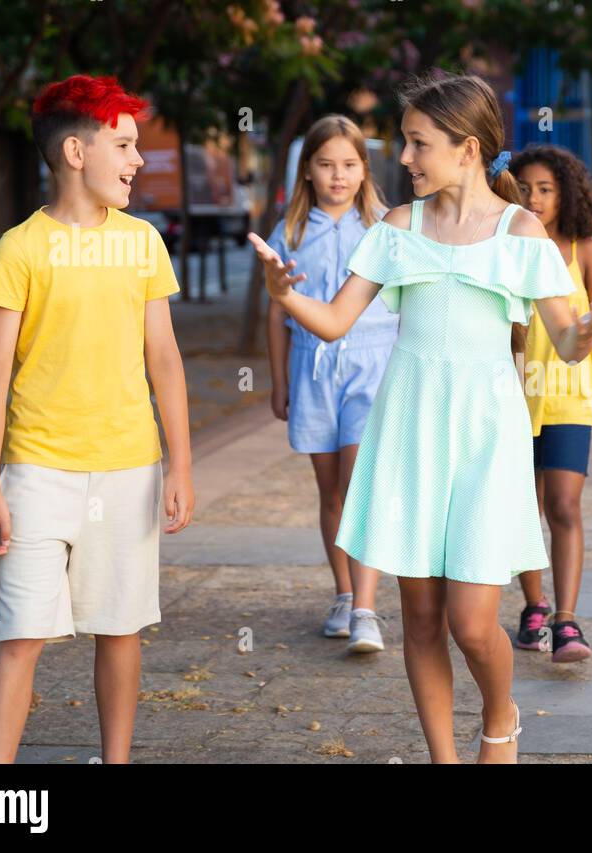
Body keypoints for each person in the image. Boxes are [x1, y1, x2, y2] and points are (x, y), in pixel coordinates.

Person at [249, 72, 592, 763]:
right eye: (404, 143)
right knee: (420, 617)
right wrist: (282, 294)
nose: (404, 158)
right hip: (408, 434)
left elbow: (568, 339)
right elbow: (335, 320)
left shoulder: (522, 231)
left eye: (418, 144)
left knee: (472, 622)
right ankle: (444, 758)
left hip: (488, 440)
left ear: (467, 147)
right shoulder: (399, 227)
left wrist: (588, 329)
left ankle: (499, 716)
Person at [0, 74, 193, 763]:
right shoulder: (21, 248)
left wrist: (180, 463)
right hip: (36, 473)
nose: (137, 160)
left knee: (120, 628)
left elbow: (165, 359)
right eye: (124, 145)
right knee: (19, 636)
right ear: (76, 151)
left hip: (130, 468)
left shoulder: (143, 243)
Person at [266, 115, 396, 652]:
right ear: (308, 172)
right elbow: (277, 313)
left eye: (348, 164)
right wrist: (278, 381)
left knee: (360, 482)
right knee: (332, 492)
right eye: (325, 165)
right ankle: (343, 594)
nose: (338, 176)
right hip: (312, 368)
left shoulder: (389, 227)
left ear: (365, 170)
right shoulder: (290, 231)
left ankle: (367, 608)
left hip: (374, 366)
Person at [508, 144, 592, 663]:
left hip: (570, 399)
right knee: (521, 509)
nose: (534, 199)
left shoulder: (585, 250)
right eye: (526, 189)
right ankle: (534, 605)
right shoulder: (507, 247)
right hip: (513, 395)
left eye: (546, 189)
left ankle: (566, 622)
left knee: (564, 505)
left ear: (566, 194)